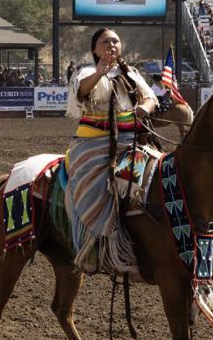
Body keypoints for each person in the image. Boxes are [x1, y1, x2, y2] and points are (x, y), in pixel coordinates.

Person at [64, 28, 164, 275]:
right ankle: (97, 241)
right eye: (105, 41)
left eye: (116, 41)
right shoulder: (86, 72)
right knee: (99, 185)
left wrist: (144, 109)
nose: (111, 44)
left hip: (131, 141)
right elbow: (82, 92)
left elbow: (151, 97)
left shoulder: (132, 74)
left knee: (143, 180)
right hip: (93, 143)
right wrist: (101, 72)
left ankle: (131, 236)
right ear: (95, 49)